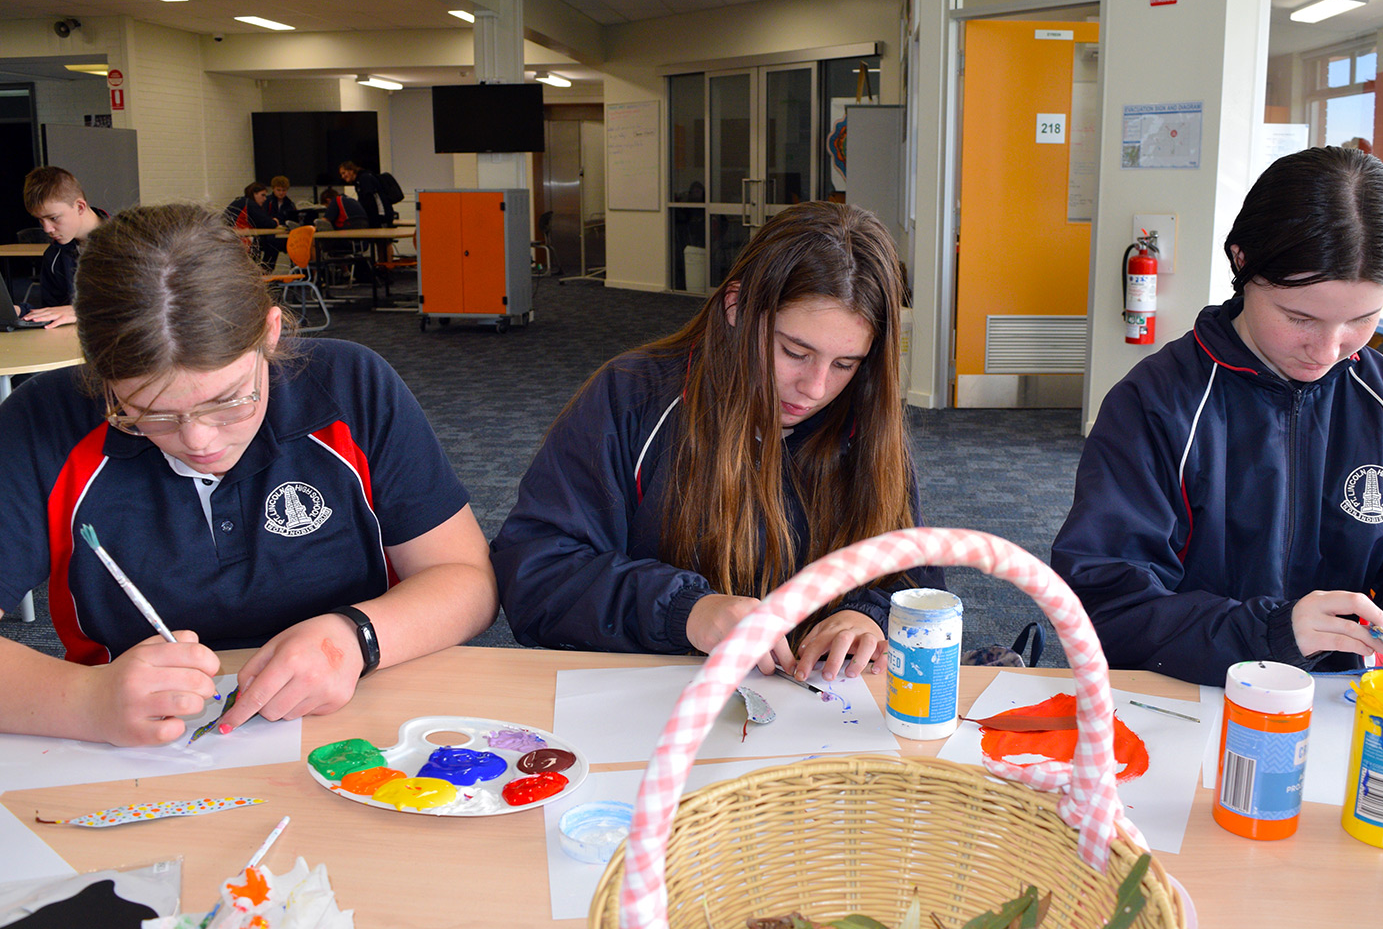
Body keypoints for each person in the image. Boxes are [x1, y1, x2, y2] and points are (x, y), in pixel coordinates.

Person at [0, 203, 497, 746]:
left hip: (361, 723)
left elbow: (466, 579)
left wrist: (357, 638)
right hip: (136, 749)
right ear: (100, 377)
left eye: (230, 400)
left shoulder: (350, 387)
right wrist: (83, 700)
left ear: (270, 333)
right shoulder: (42, 421)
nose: (199, 441)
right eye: (150, 413)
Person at [1051, 145, 1383, 687]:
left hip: (1351, 712)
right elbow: (1104, 609)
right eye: (1299, 317)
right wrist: (1271, 633)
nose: (1328, 349)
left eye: (1361, 319)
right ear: (1242, 261)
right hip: (1188, 706)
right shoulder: (1156, 403)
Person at [491, 202, 943, 682]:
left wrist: (870, 615)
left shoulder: (866, 417)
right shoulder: (632, 398)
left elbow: (914, 578)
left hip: (818, 717)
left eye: (844, 364)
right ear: (736, 309)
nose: (815, 388)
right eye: (795, 352)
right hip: (656, 705)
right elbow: (536, 577)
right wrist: (686, 612)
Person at [18, 165, 106, 329]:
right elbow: (55, 312)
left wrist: (82, 311)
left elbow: (149, 306)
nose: (47, 229)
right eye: (40, 220)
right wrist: (22, 312)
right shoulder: (54, 255)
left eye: (53, 218)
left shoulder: (128, 244)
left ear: (79, 207)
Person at [224, 181, 278, 269]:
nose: (265, 199)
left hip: (230, 236)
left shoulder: (240, 201)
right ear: (254, 194)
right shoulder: (250, 204)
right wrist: (275, 222)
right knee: (272, 243)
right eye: (262, 195)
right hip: (240, 238)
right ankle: (265, 271)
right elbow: (267, 223)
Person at [338, 161, 392, 227]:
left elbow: (369, 200)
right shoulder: (358, 181)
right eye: (341, 175)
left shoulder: (364, 178)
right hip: (375, 216)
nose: (343, 176)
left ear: (351, 170)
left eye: (344, 173)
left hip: (381, 216)